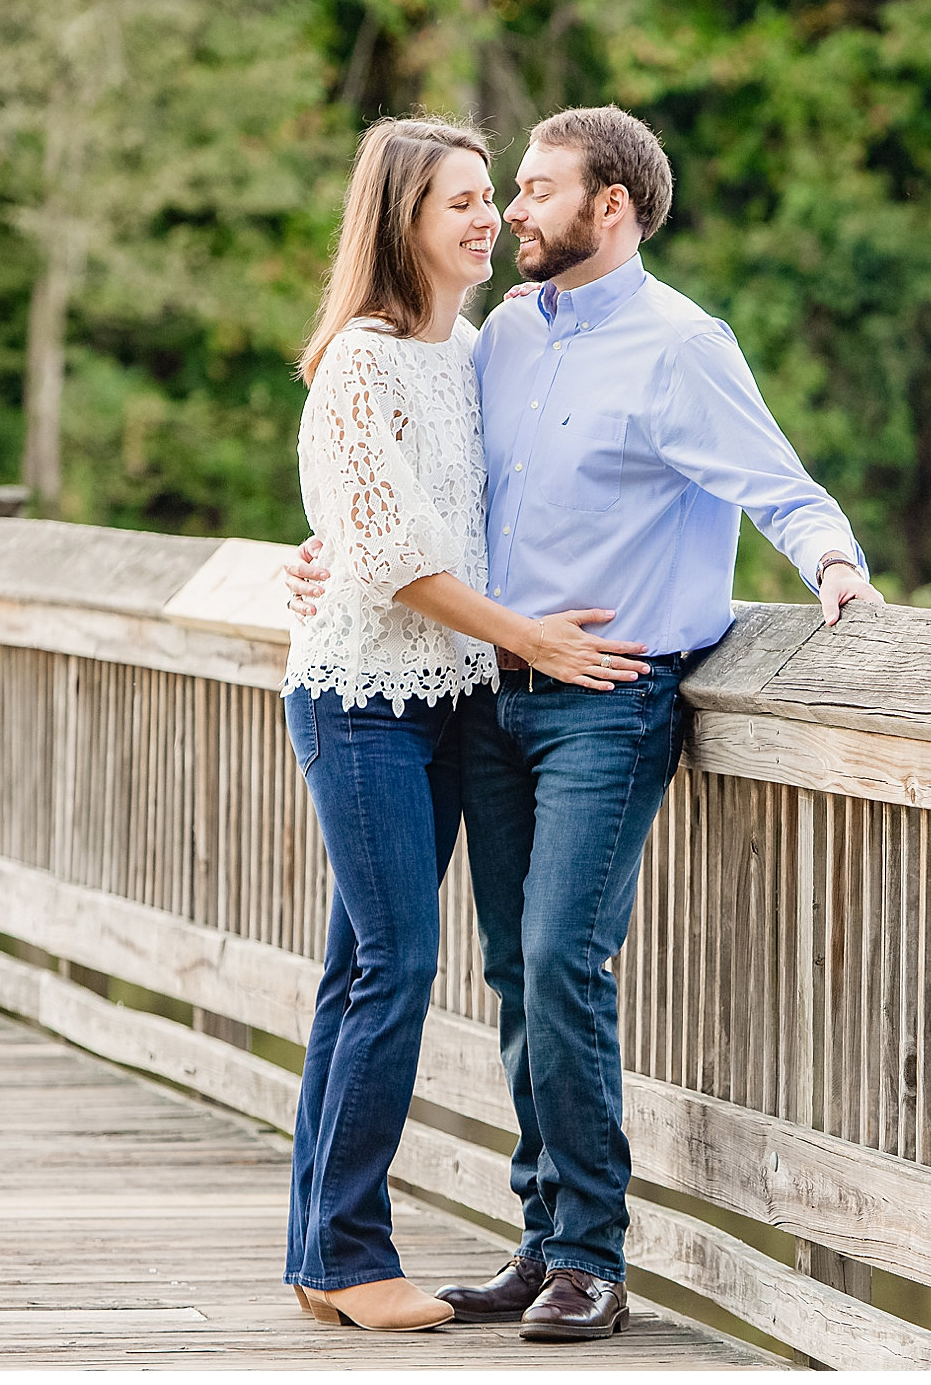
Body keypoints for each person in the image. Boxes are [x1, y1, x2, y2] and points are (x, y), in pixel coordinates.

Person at [287, 104, 881, 1343]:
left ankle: (594, 1256)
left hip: (609, 702)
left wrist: (835, 568)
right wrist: (335, 555)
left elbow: (780, 484)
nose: (511, 209)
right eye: (499, 191)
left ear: (609, 207)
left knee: (561, 959)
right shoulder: (498, 335)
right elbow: (423, 495)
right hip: (484, 696)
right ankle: (541, 1234)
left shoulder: (681, 344)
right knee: (511, 968)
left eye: (535, 189)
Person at [278, 115, 653, 1335]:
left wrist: (351, 558)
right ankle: (348, 1253)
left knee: (358, 969)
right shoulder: (361, 362)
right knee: (393, 967)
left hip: (447, 704)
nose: (489, 217)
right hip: (361, 700)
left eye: (493, 196)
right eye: (460, 201)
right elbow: (387, 555)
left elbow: (457, 516)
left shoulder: (477, 351)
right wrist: (528, 636)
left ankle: (318, 1252)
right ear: (402, 222)